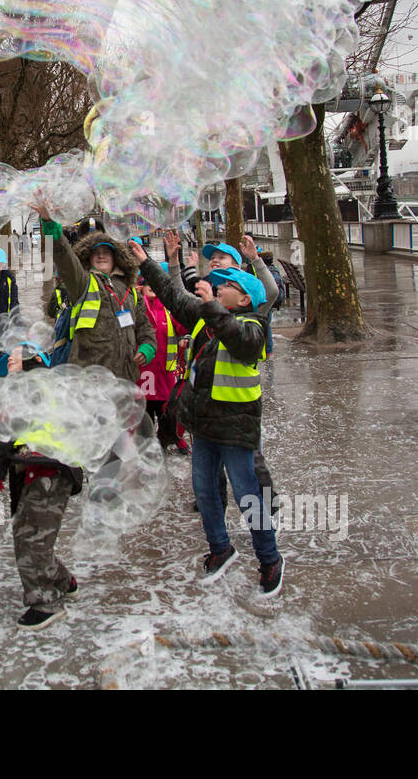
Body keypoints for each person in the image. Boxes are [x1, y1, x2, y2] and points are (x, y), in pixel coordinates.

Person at [130, 239, 282, 596]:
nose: (220, 287)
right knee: (205, 491)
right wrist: (147, 263)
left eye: (228, 285)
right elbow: (172, 295)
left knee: (248, 497)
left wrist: (212, 306)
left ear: (245, 299)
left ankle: (270, 558)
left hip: (236, 427)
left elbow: (238, 338)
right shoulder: (205, 316)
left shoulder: (254, 325)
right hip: (204, 425)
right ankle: (220, 549)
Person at [0, 346, 83, 630]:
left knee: (32, 540)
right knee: (28, 534)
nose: (10, 357)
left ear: (36, 358)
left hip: (53, 473)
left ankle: (46, 602)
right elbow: (1, 441)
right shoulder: (12, 394)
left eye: (17, 352)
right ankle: (64, 581)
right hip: (28, 474)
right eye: (8, 355)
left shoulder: (43, 384)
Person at [34, 205, 156, 384]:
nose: (101, 256)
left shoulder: (129, 289)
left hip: (125, 378)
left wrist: (148, 347)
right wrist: (49, 222)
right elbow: (64, 258)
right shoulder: (83, 283)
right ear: (88, 258)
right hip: (90, 379)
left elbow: (144, 326)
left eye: (106, 252)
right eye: (96, 253)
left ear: (116, 257)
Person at [136, 262, 183, 452]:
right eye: (148, 283)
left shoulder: (170, 309)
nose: (153, 287)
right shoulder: (137, 308)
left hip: (166, 374)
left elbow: (185, 326)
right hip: (143, 373)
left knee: (168, 415)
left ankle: (172, 440)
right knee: (143, 416)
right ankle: (144, 446)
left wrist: (186, 338)